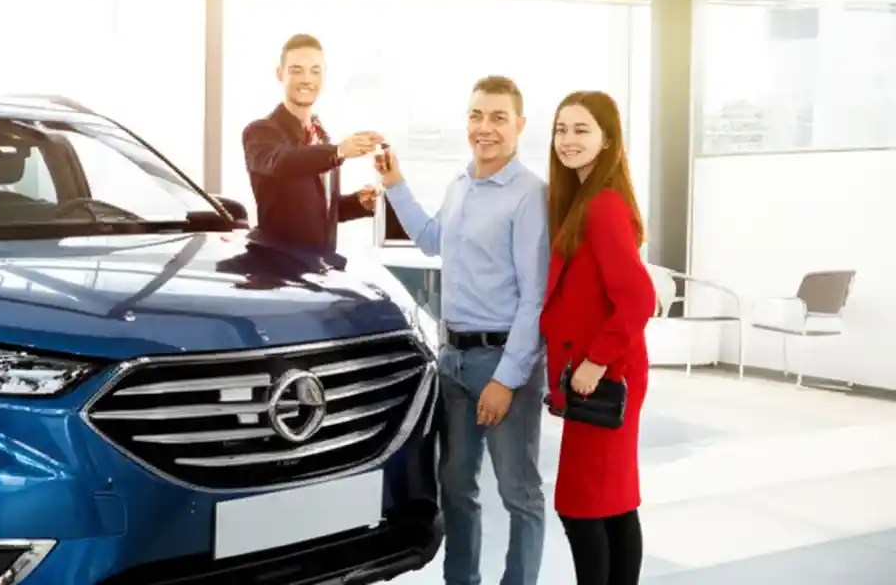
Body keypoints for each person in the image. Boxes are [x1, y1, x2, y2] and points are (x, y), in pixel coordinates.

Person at [377, 75, 548, 585]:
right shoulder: (460, 184)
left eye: (498, 117)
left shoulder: (530, 196)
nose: (485, 128)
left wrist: (506, 379)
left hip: (502, 363)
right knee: (455, 490)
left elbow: (535, 298)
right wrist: (395, 185)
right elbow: (432, 241)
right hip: (452, 360)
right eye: (476, 116)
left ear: (519, 126)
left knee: (519, 494)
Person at [540, 90, 656, 585]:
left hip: (605, 377)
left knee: (583, 505)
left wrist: (595, 361)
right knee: (612, 501)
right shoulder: (583, 200)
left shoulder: (603, 206)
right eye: (561, 129)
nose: (568, 140)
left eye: (581, 129)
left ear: (607, 140)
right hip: (601, 376)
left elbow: (637, 297)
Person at [241, 33, 382, 250]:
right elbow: (282, 162)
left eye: (315, 71)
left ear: (324, 75)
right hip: (277, 271)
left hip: (320, 270)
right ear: (280, 74)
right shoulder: (261, 132)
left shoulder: (321, 136)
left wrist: (358, 203)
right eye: (297, 70)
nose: (307, 79)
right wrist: (338, 151)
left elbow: (314, 213)